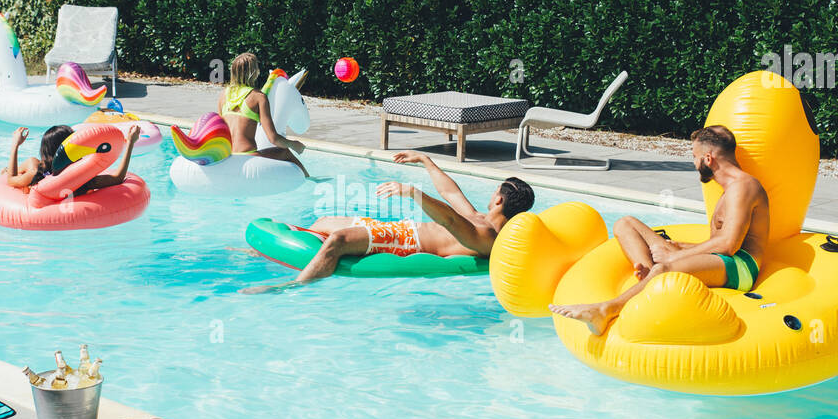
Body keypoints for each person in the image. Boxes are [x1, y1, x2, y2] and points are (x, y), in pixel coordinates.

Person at [549, 124, 770, 335]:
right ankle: (649, 276)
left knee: (665, 266)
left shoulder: (743, 187)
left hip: (741, 268)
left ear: (708, 159)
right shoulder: (730, 189)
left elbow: (728, 245)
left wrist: (679, 254)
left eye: (694, 157)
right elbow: (719, 243)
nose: (694, 164)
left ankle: (606, 309)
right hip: (719, 259)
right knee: (625, 224)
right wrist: (676, 246)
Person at [251, 151, 535, 290]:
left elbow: (448, 220)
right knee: (324, 221)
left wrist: (412, 193)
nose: (491, 193)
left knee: (337, 241)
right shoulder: (480, 218)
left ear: (499, 200)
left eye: (495, 190)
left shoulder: (487, 237)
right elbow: (450, 192)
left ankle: (293, 287)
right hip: (400, 229)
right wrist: (426, 161)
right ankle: (265, 252)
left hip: (405, 242)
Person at [218, 52, 308, 175]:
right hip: (247, 157)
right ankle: (310, 181)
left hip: (227, 156)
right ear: (254, 72)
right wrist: (294, 144)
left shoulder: (224, 95)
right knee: (285, 152)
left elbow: (220, 131)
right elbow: (273, 138)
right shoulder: (258, 97)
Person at [3, 123, 139, 195]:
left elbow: (11, 179)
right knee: (32, 163)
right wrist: (130, 143)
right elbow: (118, 178)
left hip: (37, 173)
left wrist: (15, 144)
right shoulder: (79, 177)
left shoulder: (36, 172)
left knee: (32, 162)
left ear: (45, 150)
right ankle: (6, 170)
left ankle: (6, 169)